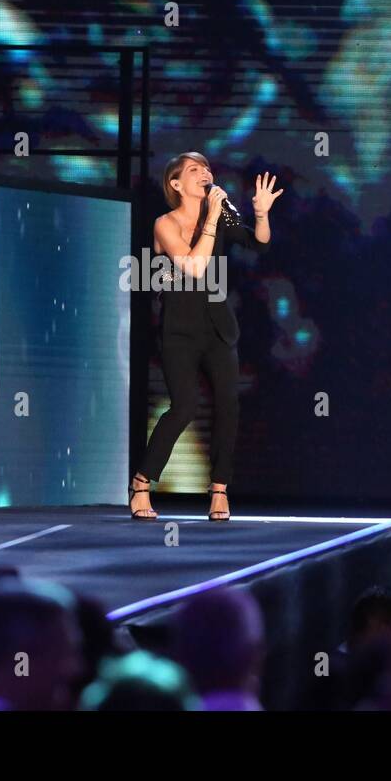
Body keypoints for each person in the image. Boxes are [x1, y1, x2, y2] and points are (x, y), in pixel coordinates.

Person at [129, 152, 282, 522]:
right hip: (180, 329)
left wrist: (261, 214)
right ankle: (142, 482)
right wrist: (213, 216)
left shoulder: (221, 214)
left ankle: (219, 489)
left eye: (207, 169)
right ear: (176, 184)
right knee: (184, 406)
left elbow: (259, 244)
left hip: (217, 326)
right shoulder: (165, 223)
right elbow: (194, 267)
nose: (205, 174)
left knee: (229, 404)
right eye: (194, 170)